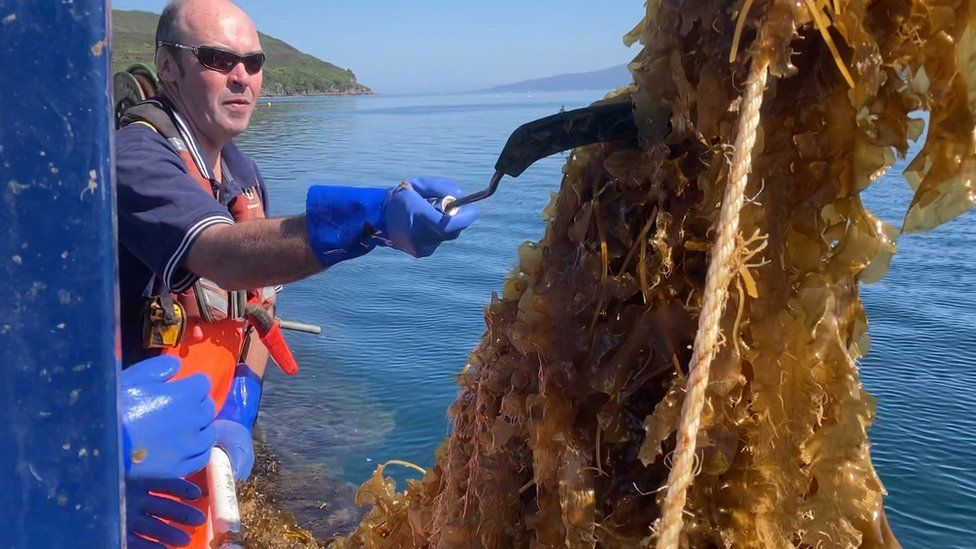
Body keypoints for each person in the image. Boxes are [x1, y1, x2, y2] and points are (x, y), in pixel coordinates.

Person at [114, 0, 478, 545]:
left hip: (212, 442)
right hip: (138, 450)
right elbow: (222, 255)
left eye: (253, 62)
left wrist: (242, 401)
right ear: (169, 66)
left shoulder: (243, 173)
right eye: (217, 58)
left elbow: (260, 302)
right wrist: (367, 221)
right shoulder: (132, 159)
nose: (242, 77)